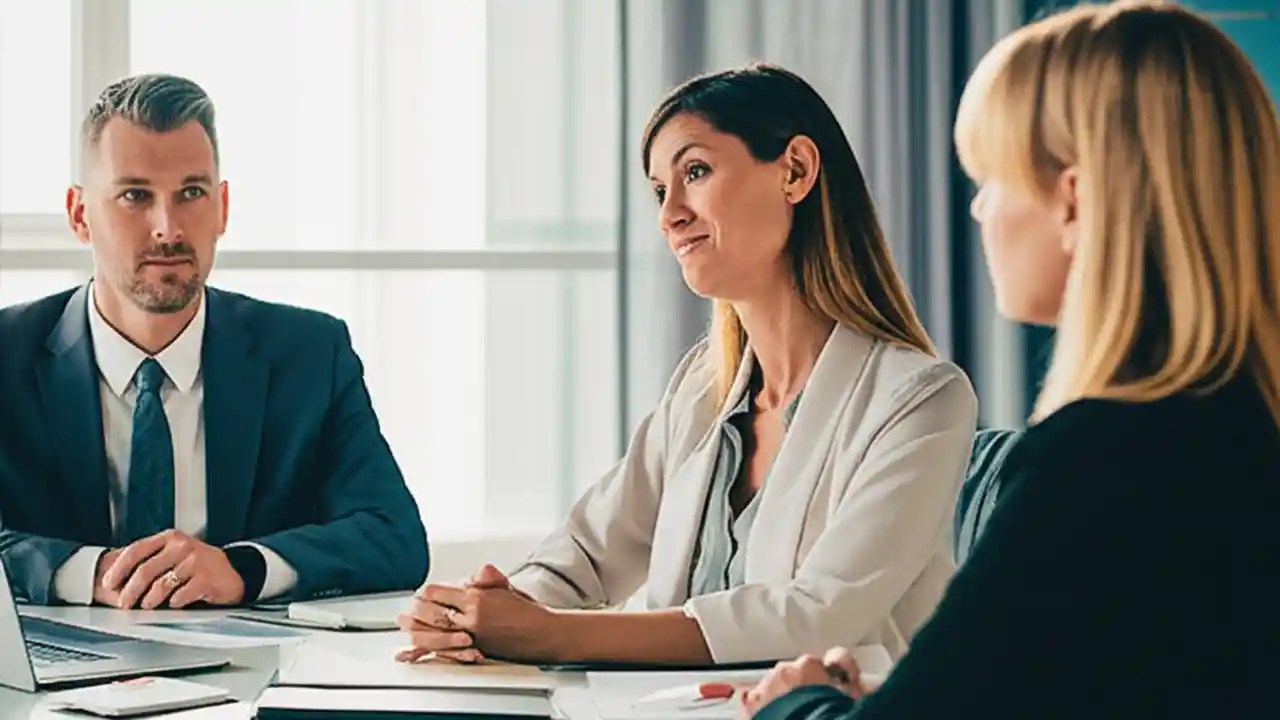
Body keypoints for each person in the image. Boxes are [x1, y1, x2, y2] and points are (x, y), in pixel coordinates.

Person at [745, 3, 1280, 717]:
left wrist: (799, 704)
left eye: (991, 180)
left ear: (1074, 202)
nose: (979, 212)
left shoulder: (1102, 461)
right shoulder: (1238, 432)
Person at [397, 63, 977, 666]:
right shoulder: (704, 389)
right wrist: (476, 615)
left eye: (694, 172)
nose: (669, 213)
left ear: (796, 171)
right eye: (657, 191)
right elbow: (589, 555)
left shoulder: (921, 399)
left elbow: (816, 616)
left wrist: (549, 634)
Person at [0, 74, 429, 609]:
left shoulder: (311, 353)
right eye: (135, 195)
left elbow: (395, 538)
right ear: (79, 214)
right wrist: (96, 573)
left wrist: (242, 567)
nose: (167, 227)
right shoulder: (7, 357)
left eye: (191, 193)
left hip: (250, 676)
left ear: (222, 206)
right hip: (53, 679)